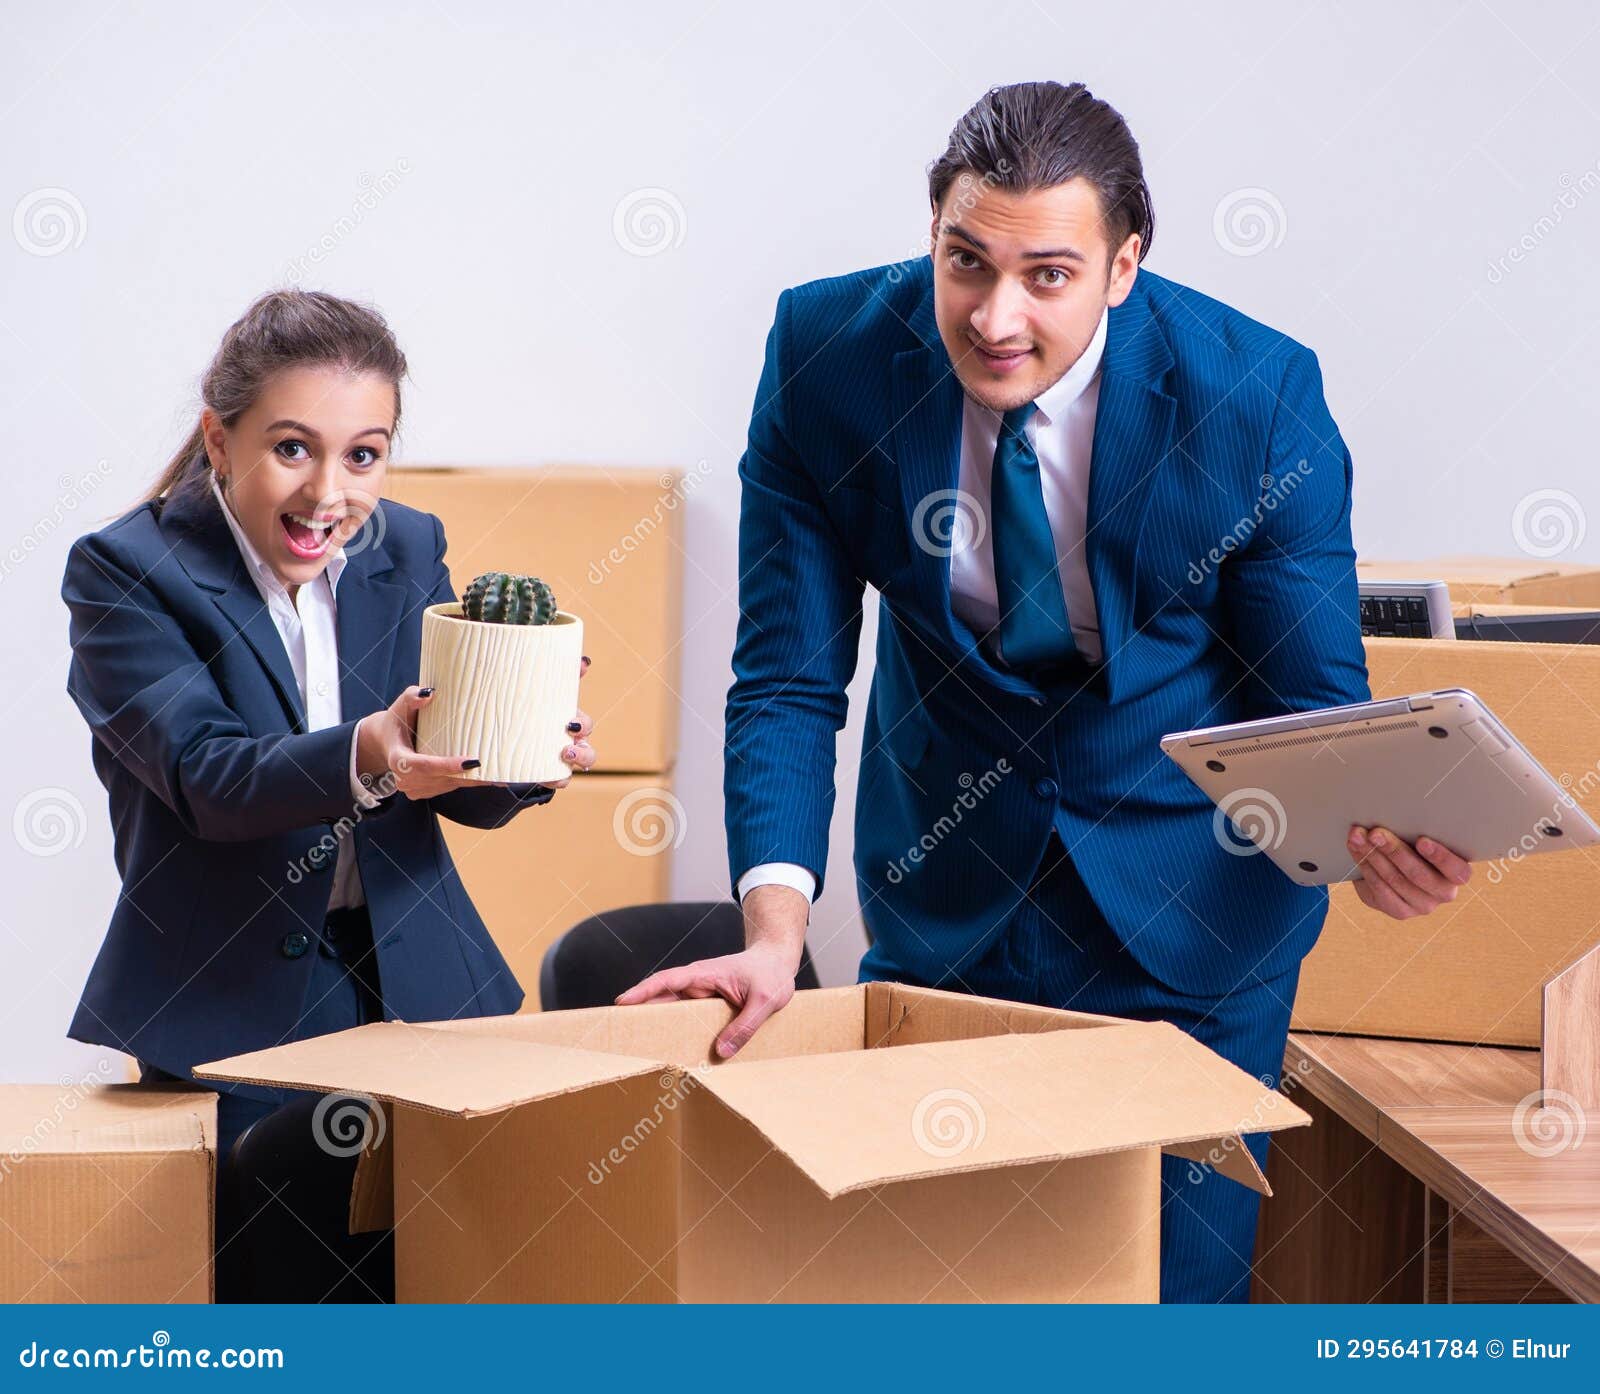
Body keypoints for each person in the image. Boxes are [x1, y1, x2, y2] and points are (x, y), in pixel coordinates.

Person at [619, 81, 1471, 1303]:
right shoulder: (828, 362)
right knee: (941, 1298)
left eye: (1048, 275)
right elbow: (789, 677)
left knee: (1161, 1315)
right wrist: (775, 931)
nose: (995, 315)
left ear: (1124, 266)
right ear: (932, 233)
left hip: (1189, 921)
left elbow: (1309, 704)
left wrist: (1378, 833)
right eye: (964, 262)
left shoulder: (1252, 396)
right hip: (947, 907)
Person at [61, 289, 597, 1302]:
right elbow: (207, 776)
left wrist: (519, 752)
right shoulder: (127, 574)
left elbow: (439, 770)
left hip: (420, 981)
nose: (330, 492)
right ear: (220, 441)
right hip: (240, 1003)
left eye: (363, 453)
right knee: (286, 1303)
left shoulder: (406, 545)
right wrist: (371, 749)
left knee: (446, 1285)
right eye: (292, 447)